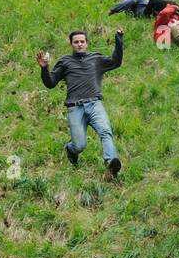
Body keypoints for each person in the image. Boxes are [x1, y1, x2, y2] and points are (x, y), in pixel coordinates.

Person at [37, 28, 125, 176]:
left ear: (87, 43)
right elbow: (50, 83)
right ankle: (70, 150)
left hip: (95, 104)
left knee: (105, 132)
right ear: (71, 44)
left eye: (82, 41)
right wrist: (45, 69)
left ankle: (110, 163)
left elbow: (116, 62)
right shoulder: (65, 61)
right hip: (75, 108)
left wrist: (119, 40)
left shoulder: (96, 59)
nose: (79, 44)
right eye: (76, 42)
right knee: (79, 145)